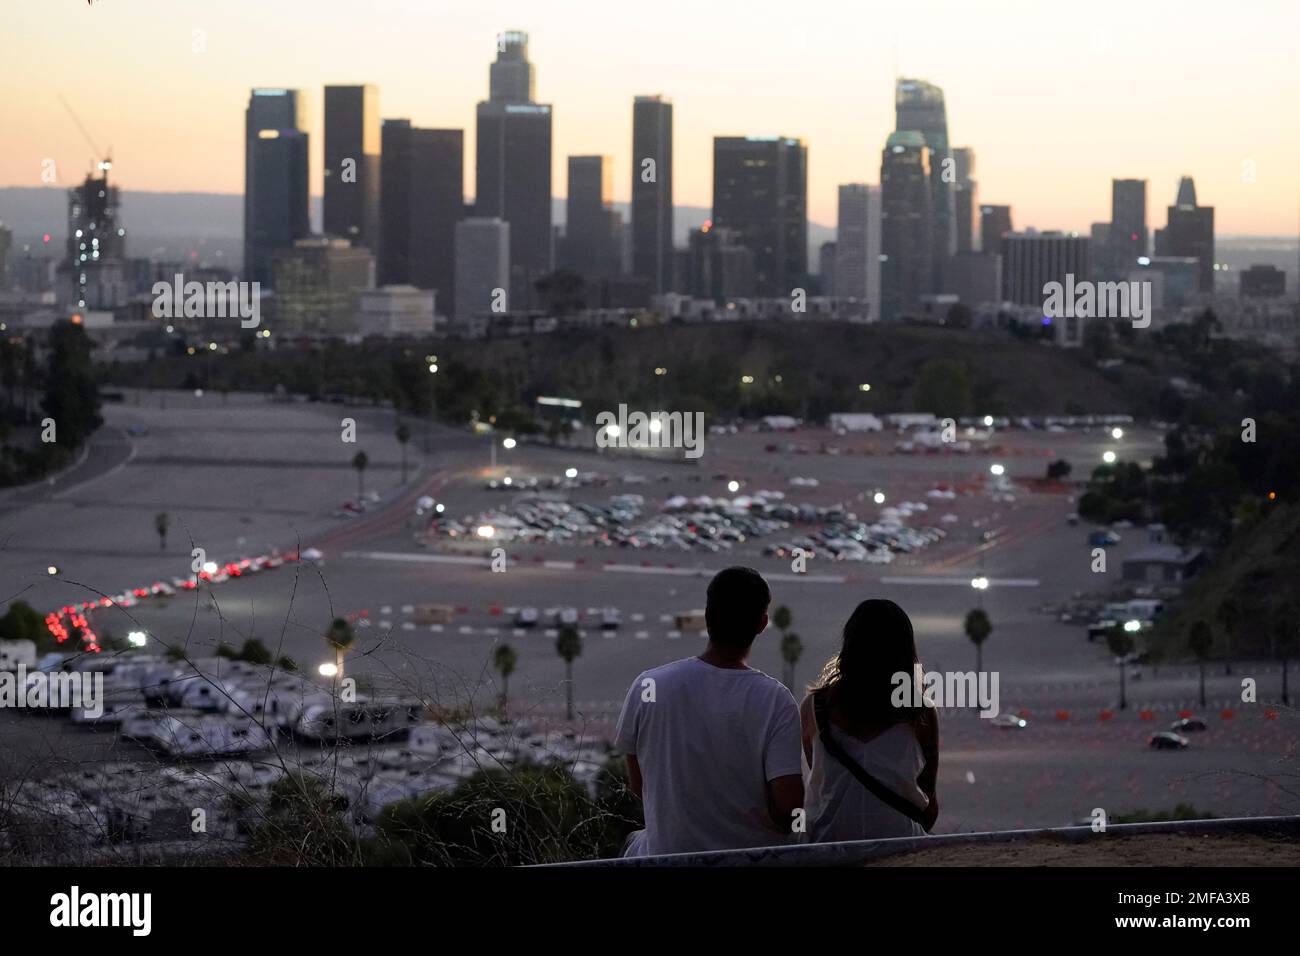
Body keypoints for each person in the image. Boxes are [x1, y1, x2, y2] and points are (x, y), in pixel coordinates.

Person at [615, 567, 804, 857]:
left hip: (664, 857)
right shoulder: (776, 701)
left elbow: (640, 785)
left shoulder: (649, 685)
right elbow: (790, 809)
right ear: (762, 624)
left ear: (707, 617)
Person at [800, 599, 939, 842]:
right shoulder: (920, 713)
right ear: (905, 653)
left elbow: (821, 777)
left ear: (850, 646)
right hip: (900, 843)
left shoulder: (815, 708)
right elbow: (929, 804)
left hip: (830, 845)